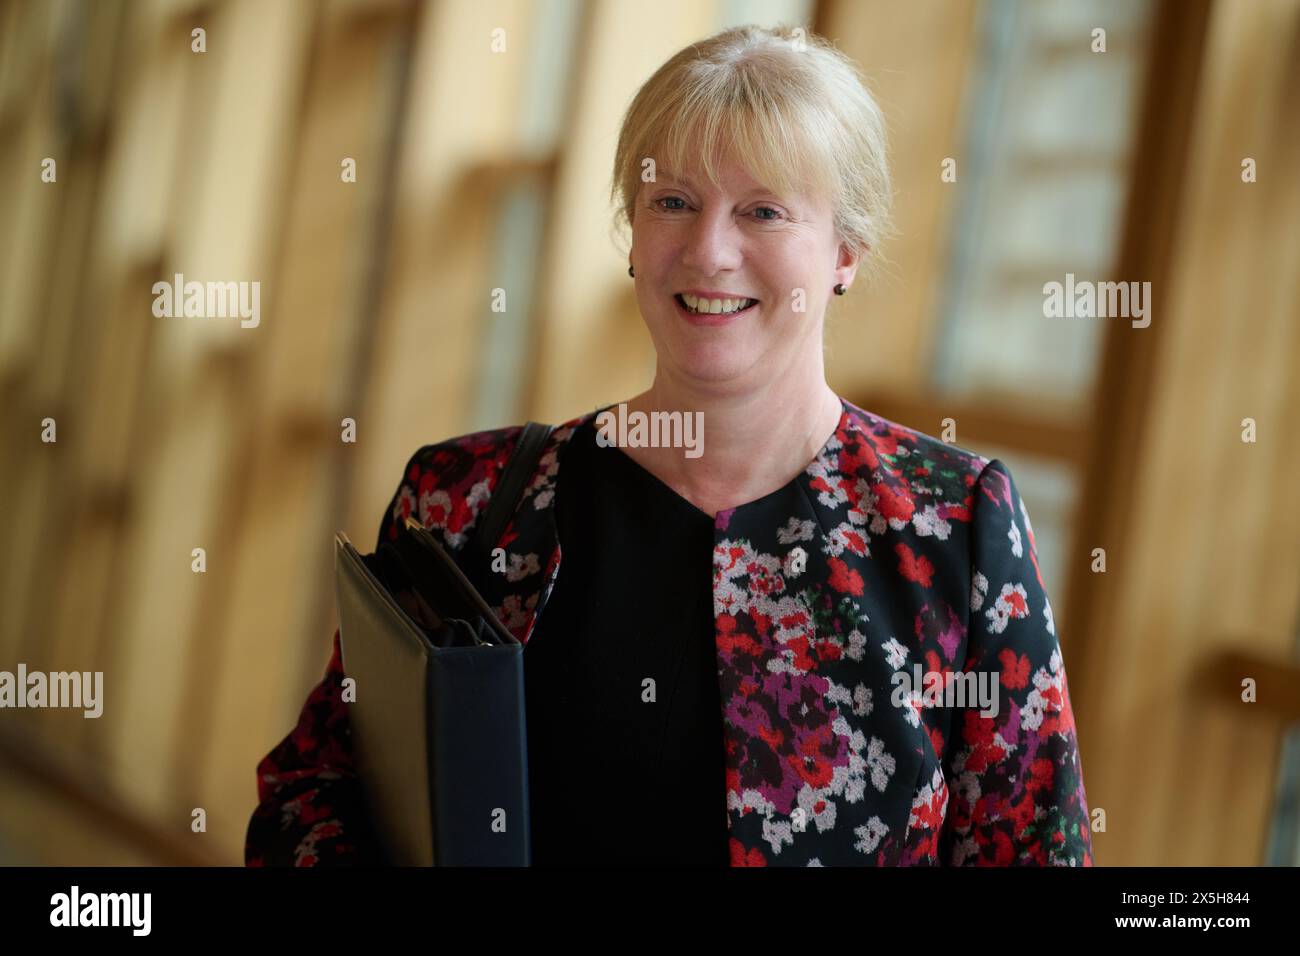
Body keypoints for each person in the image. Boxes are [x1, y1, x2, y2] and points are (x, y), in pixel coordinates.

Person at [246, 23, 1092, 867]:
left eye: (763, 211)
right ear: (632, 229)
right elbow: (311, 796)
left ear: (845, 252)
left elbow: (1033, 852)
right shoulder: (468, 498)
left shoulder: (953, 524)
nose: (708, 251)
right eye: (673, 202)